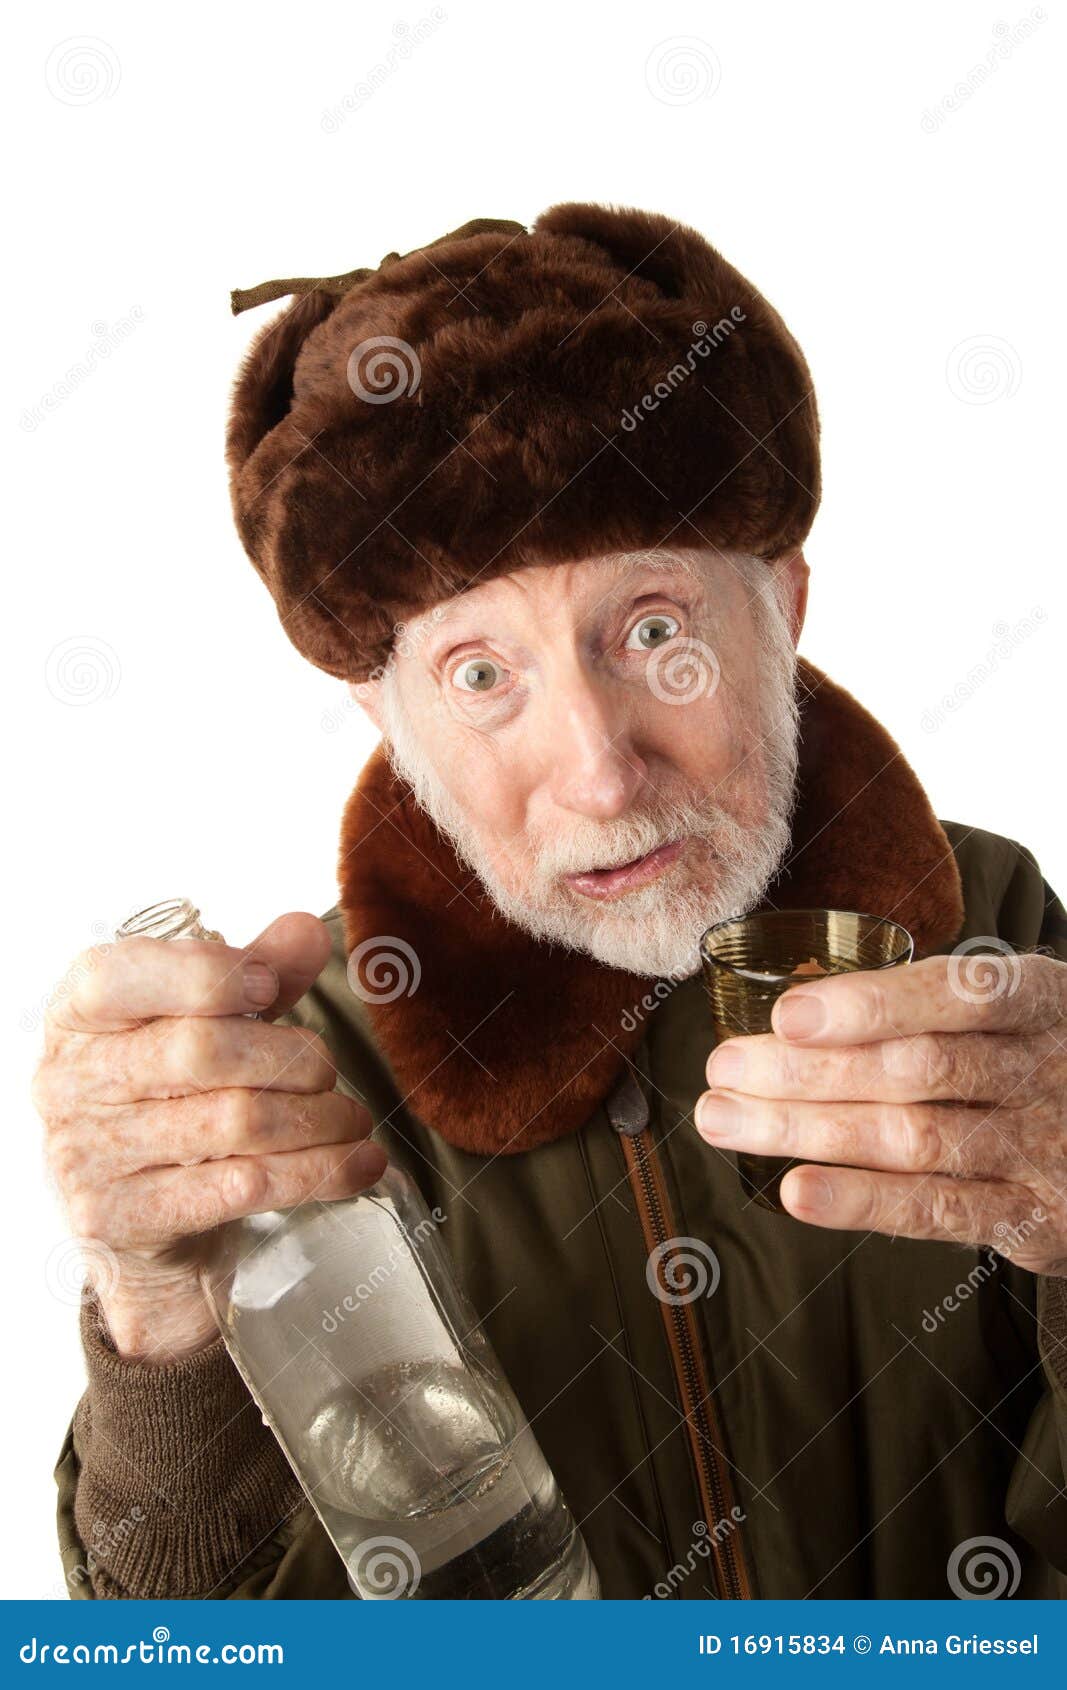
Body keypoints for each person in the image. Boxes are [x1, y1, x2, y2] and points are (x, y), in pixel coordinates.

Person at [36, 204, 1067, 1600]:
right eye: (480, 673)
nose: (599, 769)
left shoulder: (998, 935)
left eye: (654, 628)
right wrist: (158, 1315)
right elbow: (179, 1644)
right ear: (380, 713)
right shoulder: (290, 1075)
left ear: (784, 605)